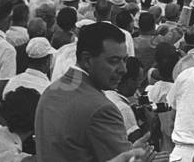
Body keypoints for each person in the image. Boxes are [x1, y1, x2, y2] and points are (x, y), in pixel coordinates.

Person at [35, 21, 131, 162]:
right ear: (87, 60)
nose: (124, 69)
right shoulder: (102, 109)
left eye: (125, 60)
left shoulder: (50, 91)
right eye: (114, 61)